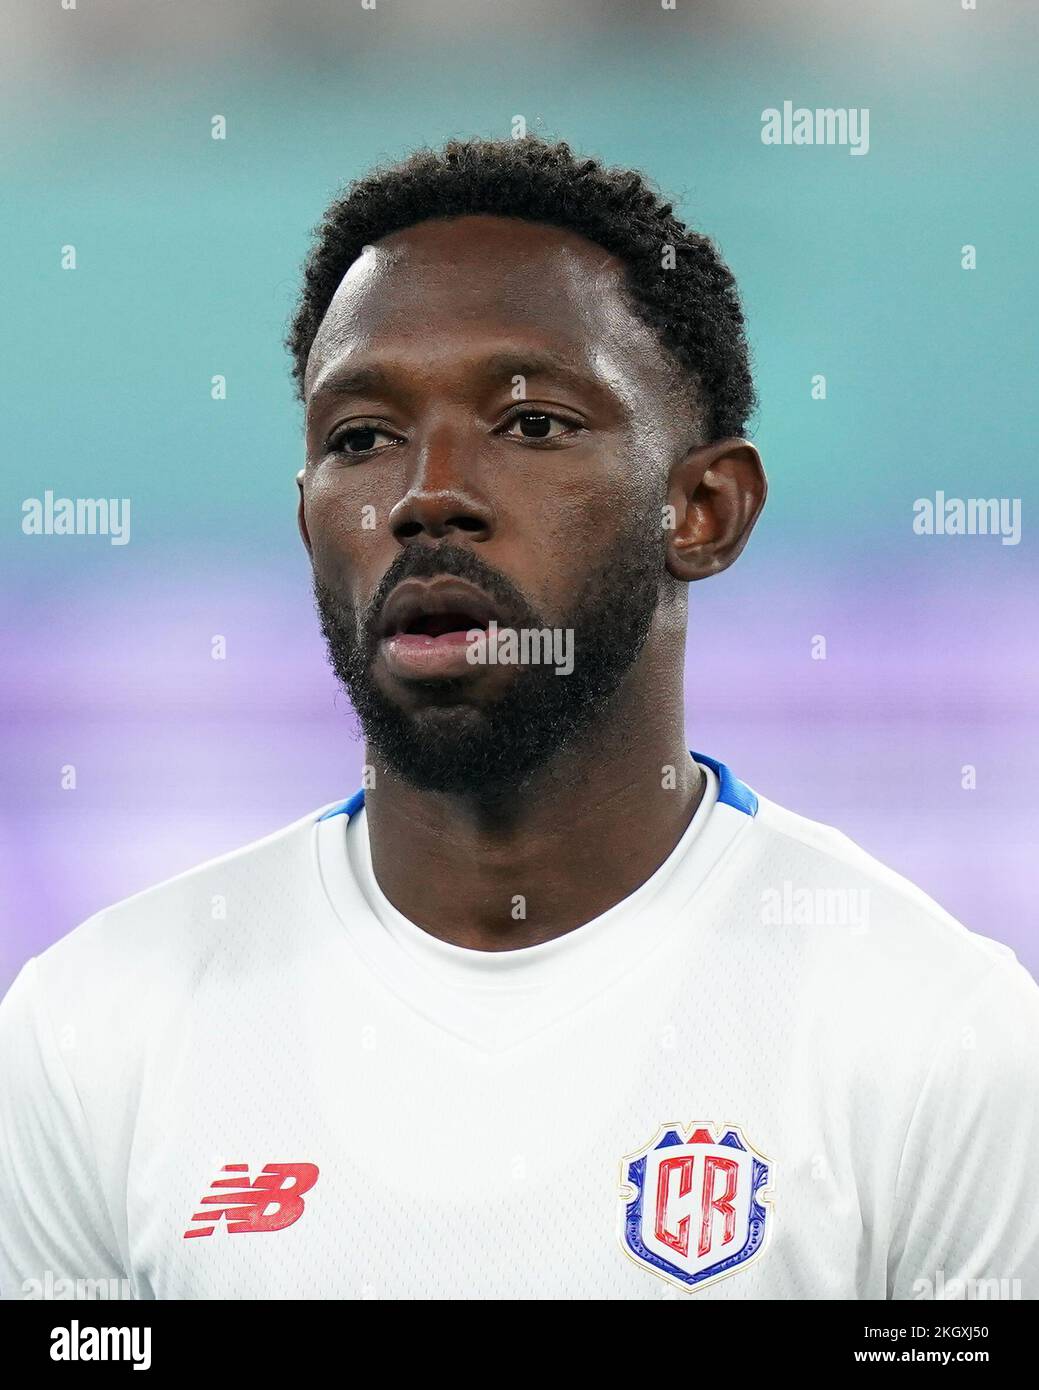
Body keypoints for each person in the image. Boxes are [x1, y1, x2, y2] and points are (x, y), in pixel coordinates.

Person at [2, 137, 1036, 1300]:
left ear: (702, 508)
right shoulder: (94, 1031)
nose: (425, 494)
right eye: (361, 439)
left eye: (531, 423)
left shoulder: (937, 1041)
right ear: (308, 522)